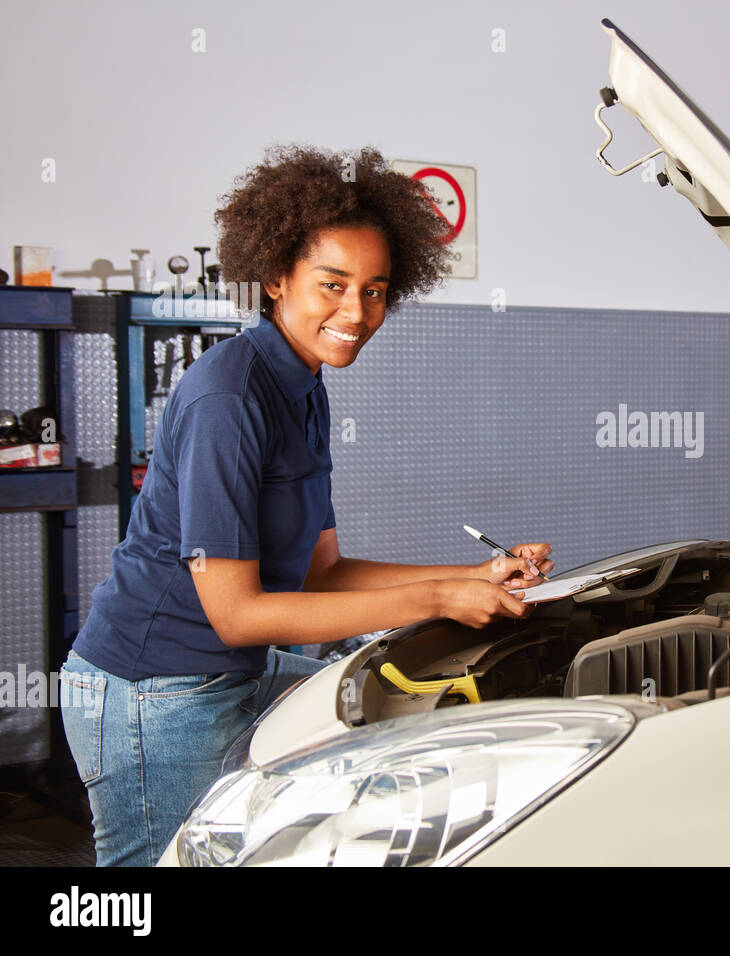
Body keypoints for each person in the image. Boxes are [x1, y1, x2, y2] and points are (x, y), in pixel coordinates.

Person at [58, 144, 553, 866]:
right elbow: (238, 611)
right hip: (151, 694)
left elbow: (324, 574)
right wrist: (437, 598)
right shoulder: (229, 397)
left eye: (376, 289)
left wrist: (475, 577)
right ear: (275, 277)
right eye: (332, 284)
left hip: (228, 676)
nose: (357, 311)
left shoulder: (303, 387)